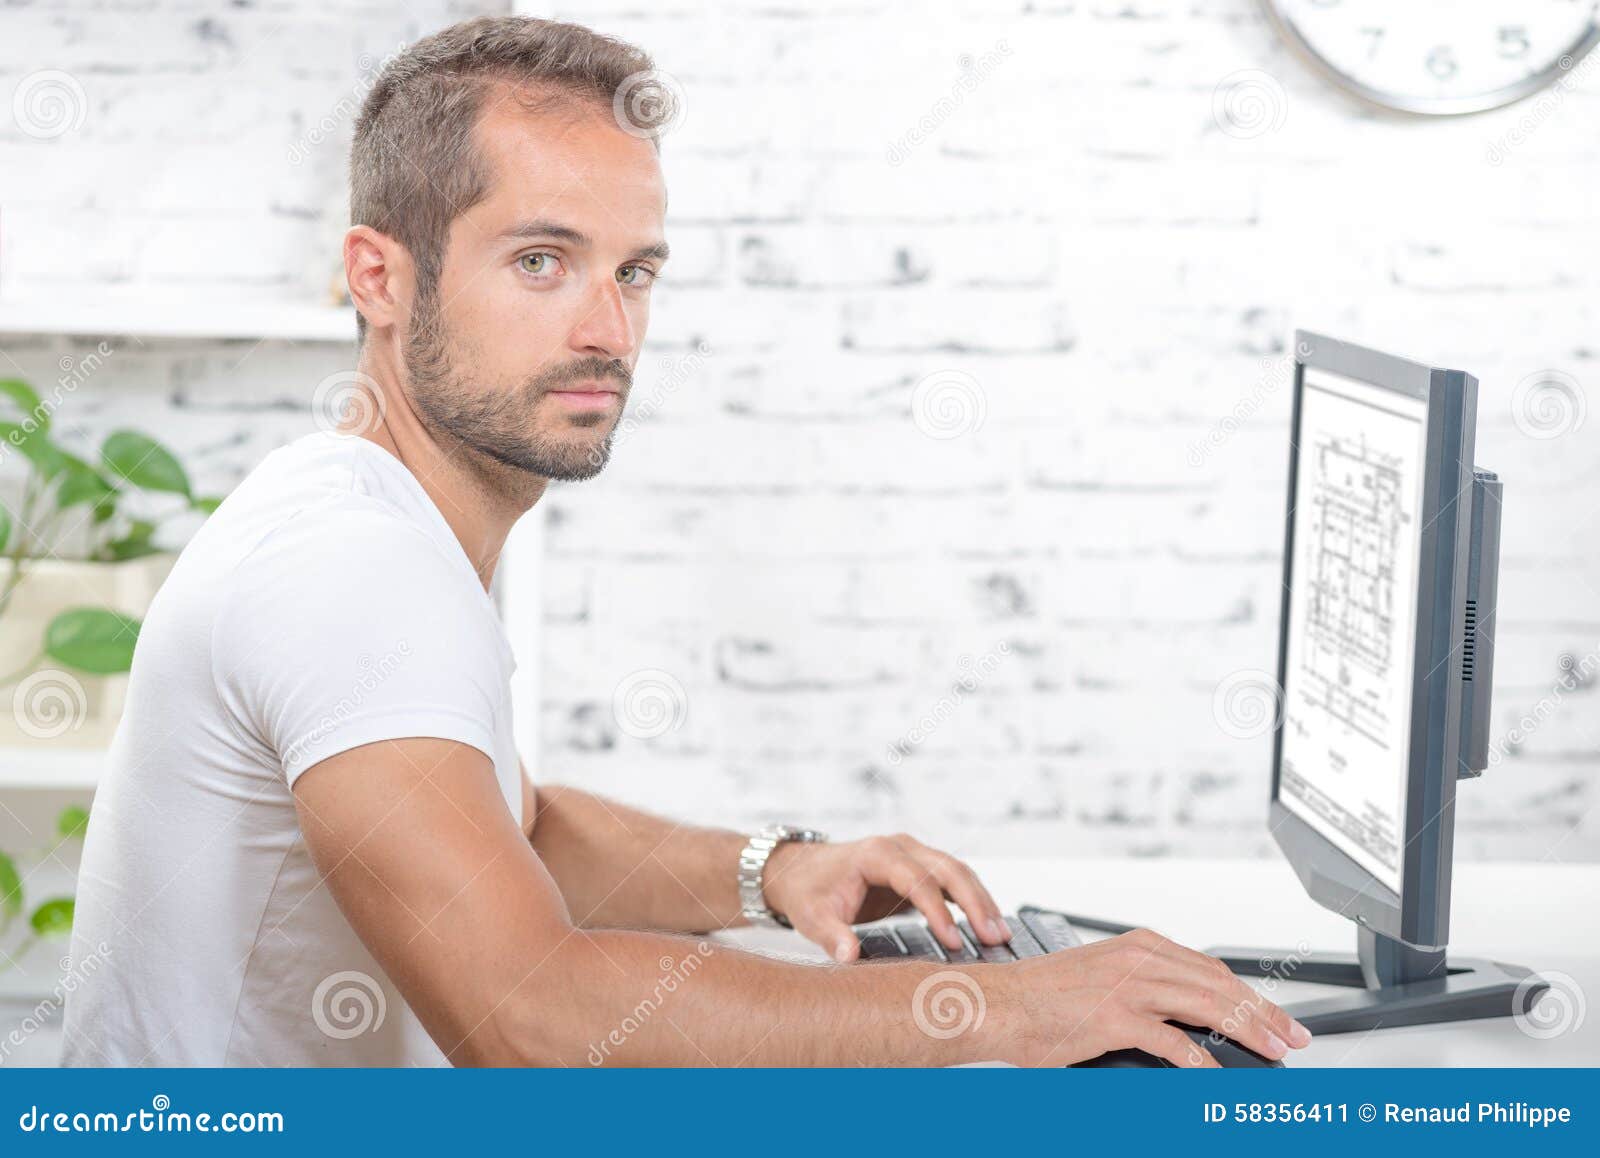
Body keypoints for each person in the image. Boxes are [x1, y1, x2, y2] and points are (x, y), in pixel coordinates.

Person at [63, 15, 1311, 1068]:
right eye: (542, 260)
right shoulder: (350, 572)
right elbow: (530, 1011)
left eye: (636, 270)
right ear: (378, 278)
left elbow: (517, 822)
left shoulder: (369, 515)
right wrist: (1010, 1007)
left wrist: (778, 872)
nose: (608, 328)